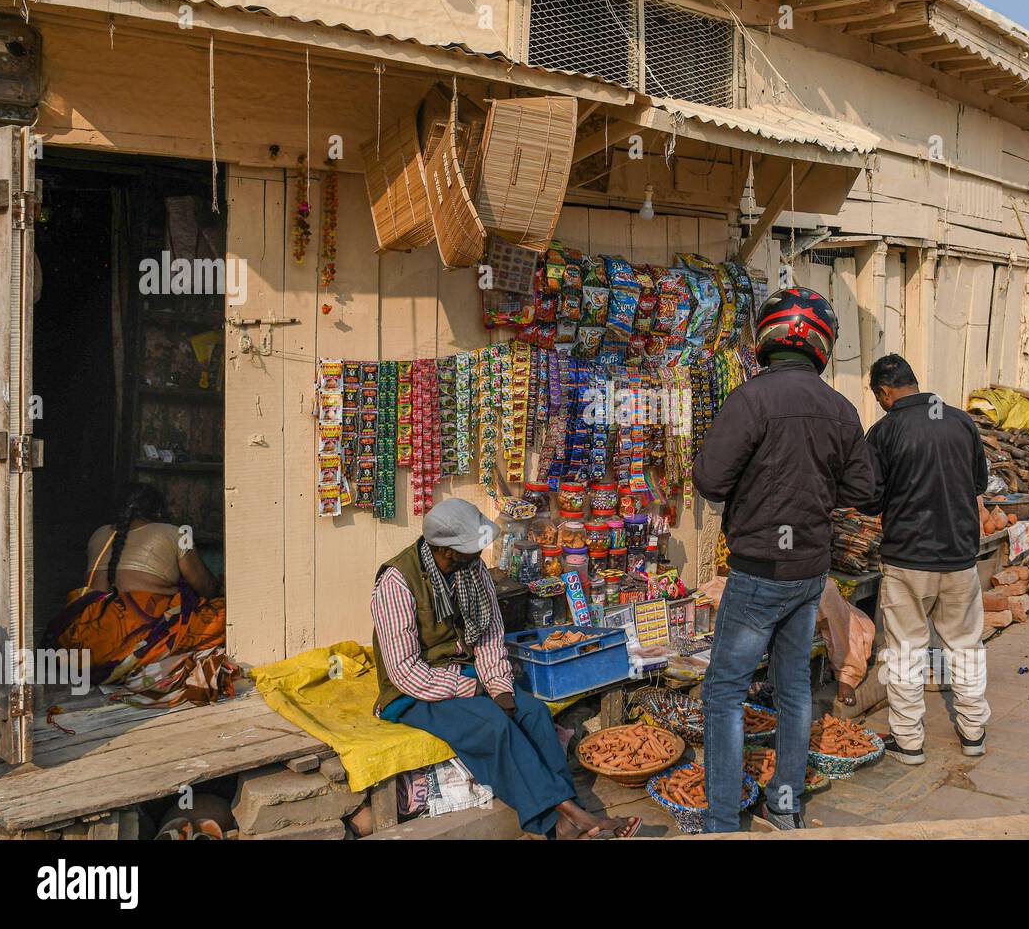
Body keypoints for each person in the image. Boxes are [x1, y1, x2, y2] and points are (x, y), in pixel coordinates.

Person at [692, 287, 877, 832]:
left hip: (759, 571)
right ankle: (786, 804)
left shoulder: (749, 399)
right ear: (822, 345)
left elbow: (708, 479)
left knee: (724, 692)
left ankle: (723, 818)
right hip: (809, 574)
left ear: (766, 339)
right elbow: (864, 489)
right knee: (794, 686)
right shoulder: (839, 408)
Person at [370, 497, 640, 840]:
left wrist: (498, 685)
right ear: (448, 551)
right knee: (494, 726)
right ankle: (562, 821)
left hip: (466, 672)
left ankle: (570, 813)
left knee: (533, 713)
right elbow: (405, 670)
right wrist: (476, 689)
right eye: (472, 548)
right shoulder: (396, 582)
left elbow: (489, 633)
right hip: (414, 690)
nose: (480, 554)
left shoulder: (470, 570)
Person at [858, 354, 991, 765]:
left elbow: (868, 498)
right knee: (965, 646)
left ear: (884, 392)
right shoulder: (961, 422)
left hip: (906, 560)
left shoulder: (884, 431)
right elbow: (979, 483)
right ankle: (973, 734)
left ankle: (909, 742)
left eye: (878, 397)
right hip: (959, 557)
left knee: (905, 652)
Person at [49, 482, 226, 685]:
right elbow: (207, 587)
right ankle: (141, 658)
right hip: (135, 636)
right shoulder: (176, 533)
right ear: (159, 511)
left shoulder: (98, 534)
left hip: (87, 641)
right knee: (226, 615)